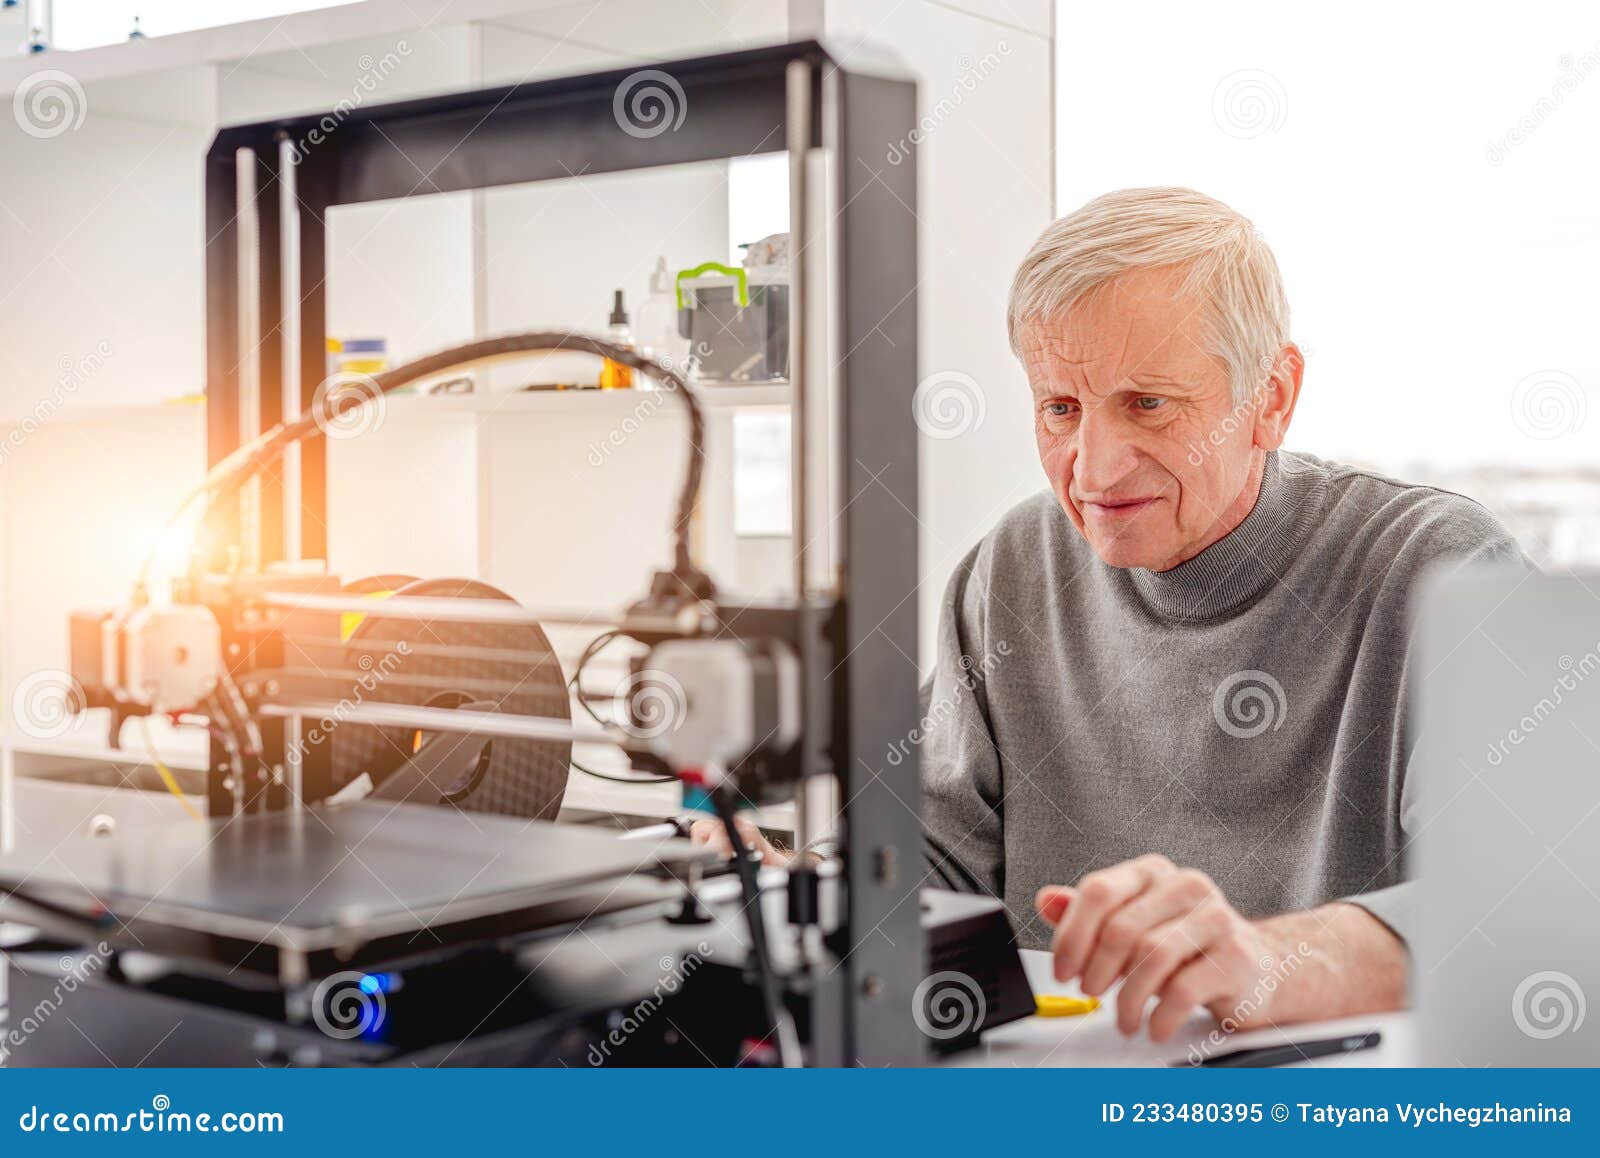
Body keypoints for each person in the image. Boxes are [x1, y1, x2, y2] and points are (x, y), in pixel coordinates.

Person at [692, 187, 1530, 1042]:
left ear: (1272, 396)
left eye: (1149, 404)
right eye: (1060, 408)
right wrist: (803, 889)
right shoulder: (1012, 567)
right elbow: (929, 859)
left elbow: (1533, 897)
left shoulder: (1440, 567)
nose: (1092, 470)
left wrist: (1267, 959)